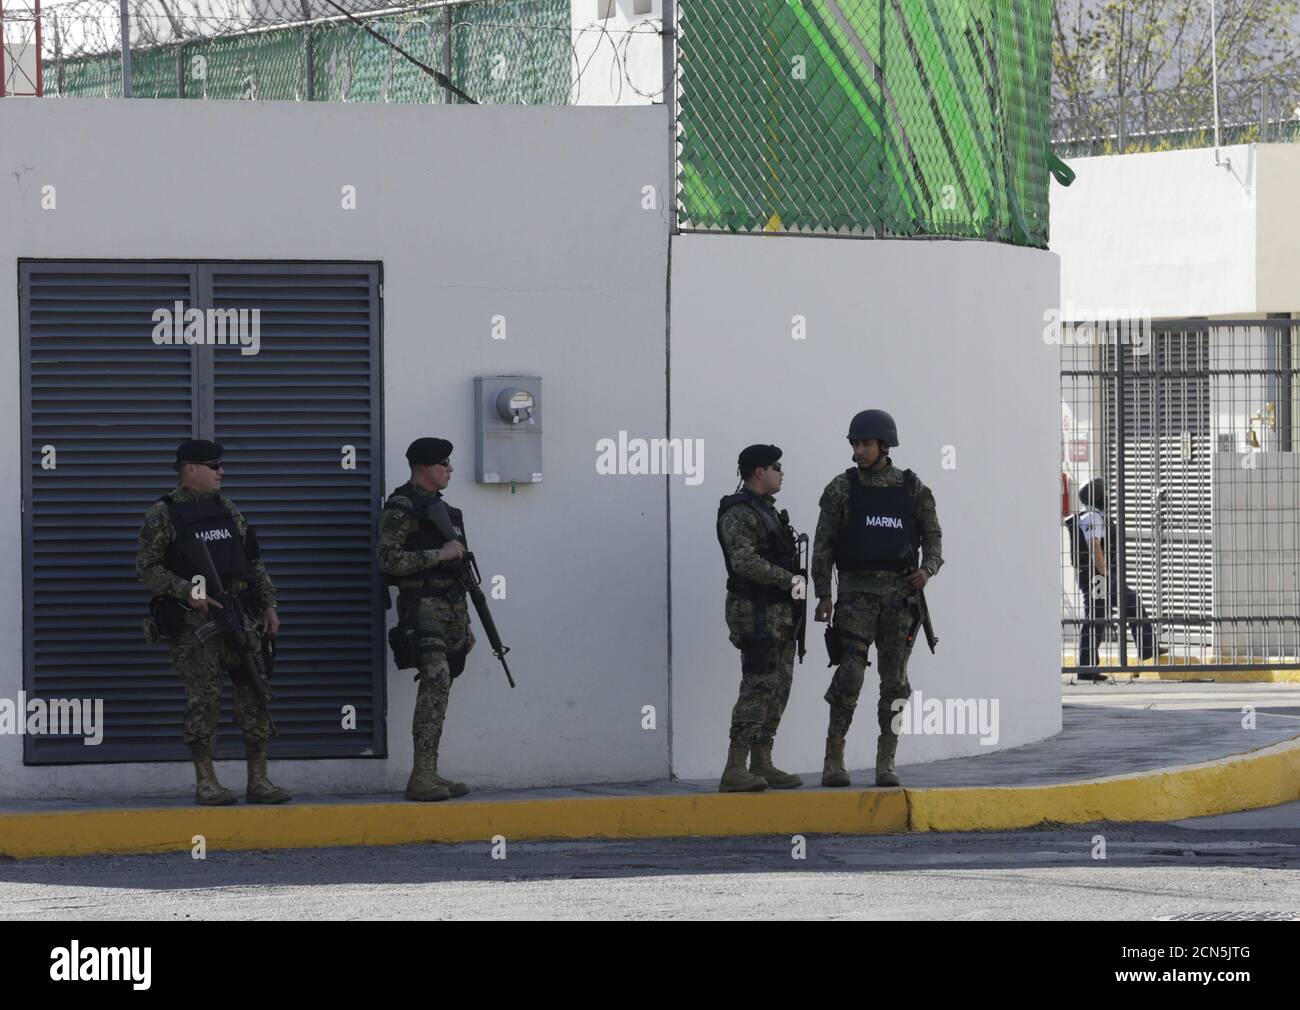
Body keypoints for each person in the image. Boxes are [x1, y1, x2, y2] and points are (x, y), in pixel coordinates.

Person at [137, 439, 290, 806]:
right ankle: (206, 781)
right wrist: (188, 590)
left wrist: (269, 605)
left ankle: (259, 779)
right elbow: (147, 568)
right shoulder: (164, 513)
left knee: (255, 690)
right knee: (204, 700)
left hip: (240, 615)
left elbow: (253, 562)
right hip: (196, 625)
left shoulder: (226, 508)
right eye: (214, 465)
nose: (222, 471)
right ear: (190, 469)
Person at [813, 410, 943, 788]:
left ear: (885, 445)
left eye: (866, 444)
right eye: (855, 444)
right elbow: (823, 545)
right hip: (855, 598)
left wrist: (929, 569)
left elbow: (933, 536)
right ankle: (833, 760)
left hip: (900, 600)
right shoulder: (842, 488)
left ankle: (886, 760)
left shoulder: (912, 488)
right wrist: (824, 594)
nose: (859, 451)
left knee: (896, 683)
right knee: (849, 675)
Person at [377, 437, 475, 802]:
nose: (449, 470)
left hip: (450, 609)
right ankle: (420, 776)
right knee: (435, 680)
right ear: (423, 468)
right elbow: (387, 561)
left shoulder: (446, 511)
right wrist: (439, 553)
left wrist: (465, 621)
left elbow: (460, 571)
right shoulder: (400, 509)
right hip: (421, 608)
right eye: (443, 463)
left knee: (443, 687)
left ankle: (429, 771)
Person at [715, 444, 804, 792]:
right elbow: (743, 562)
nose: (781, 472)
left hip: (778, 613)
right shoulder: (740, 512)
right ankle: (735, 767)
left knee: (779, 686)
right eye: (775, 466)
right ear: (758, 472)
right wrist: (789, 580)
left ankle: (762, 762)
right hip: (754, 613)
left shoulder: (766, 511)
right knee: (758, 685)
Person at [1066, 478, 1158, 680]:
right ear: (1098, 496)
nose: (1108, 498)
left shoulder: (1096, 516)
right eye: (1106, 495)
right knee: (1096, 618)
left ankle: (1148, 650)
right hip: (1098, 576)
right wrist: (1105, 574)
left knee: (1128, 604)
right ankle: (1086, 668)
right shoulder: (1092, 517)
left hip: (1102, 575)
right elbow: (1094, 546)